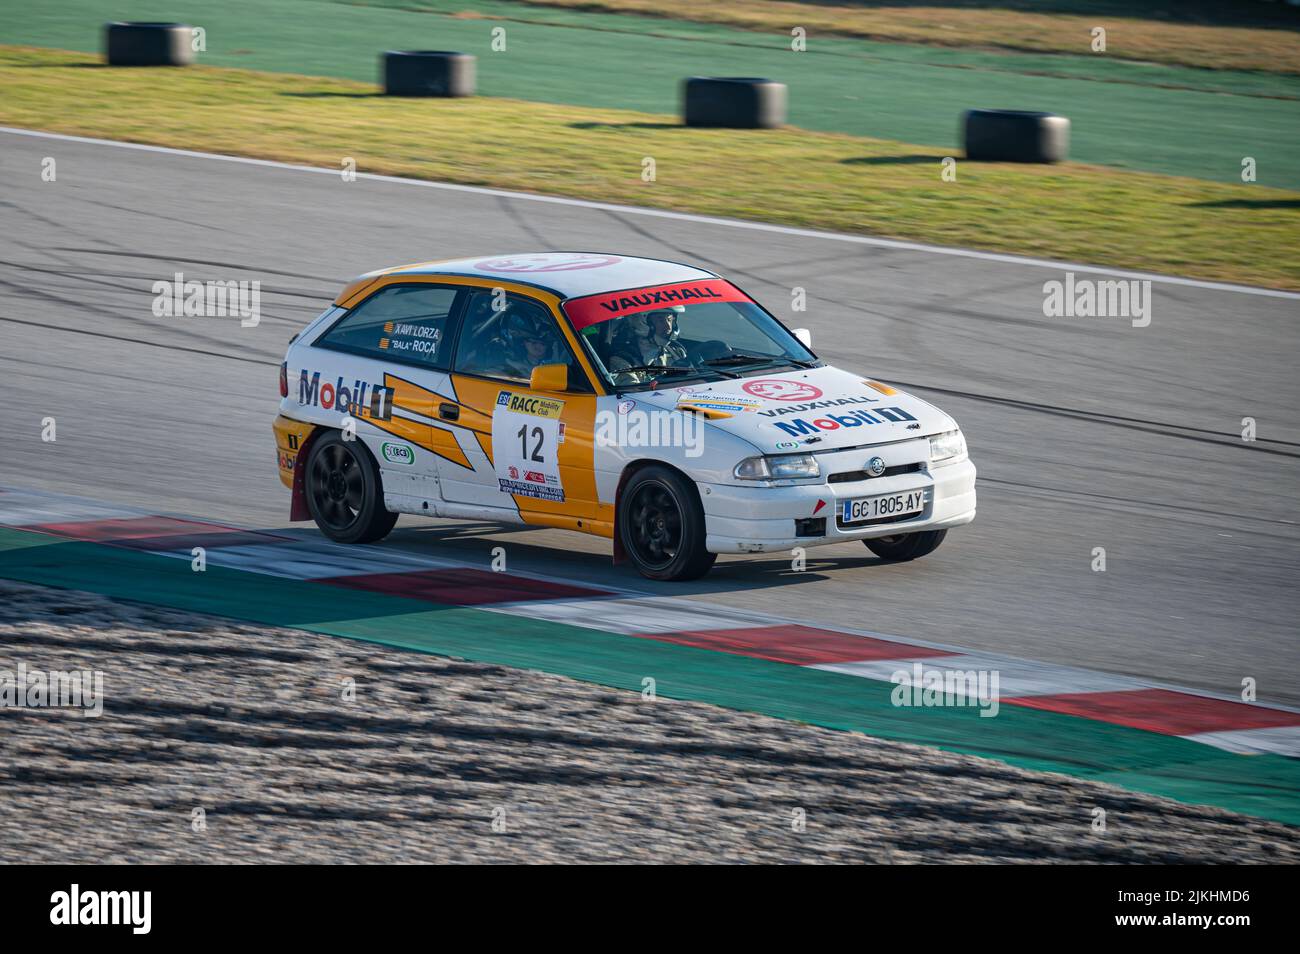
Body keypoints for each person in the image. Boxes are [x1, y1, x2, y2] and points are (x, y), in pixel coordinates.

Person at [607, 306, 688, 382]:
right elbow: (634, 394)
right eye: (660, 320)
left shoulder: (677, 352)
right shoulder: (622, 361)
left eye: (669, 320)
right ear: (642, 323)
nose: (668, 327)